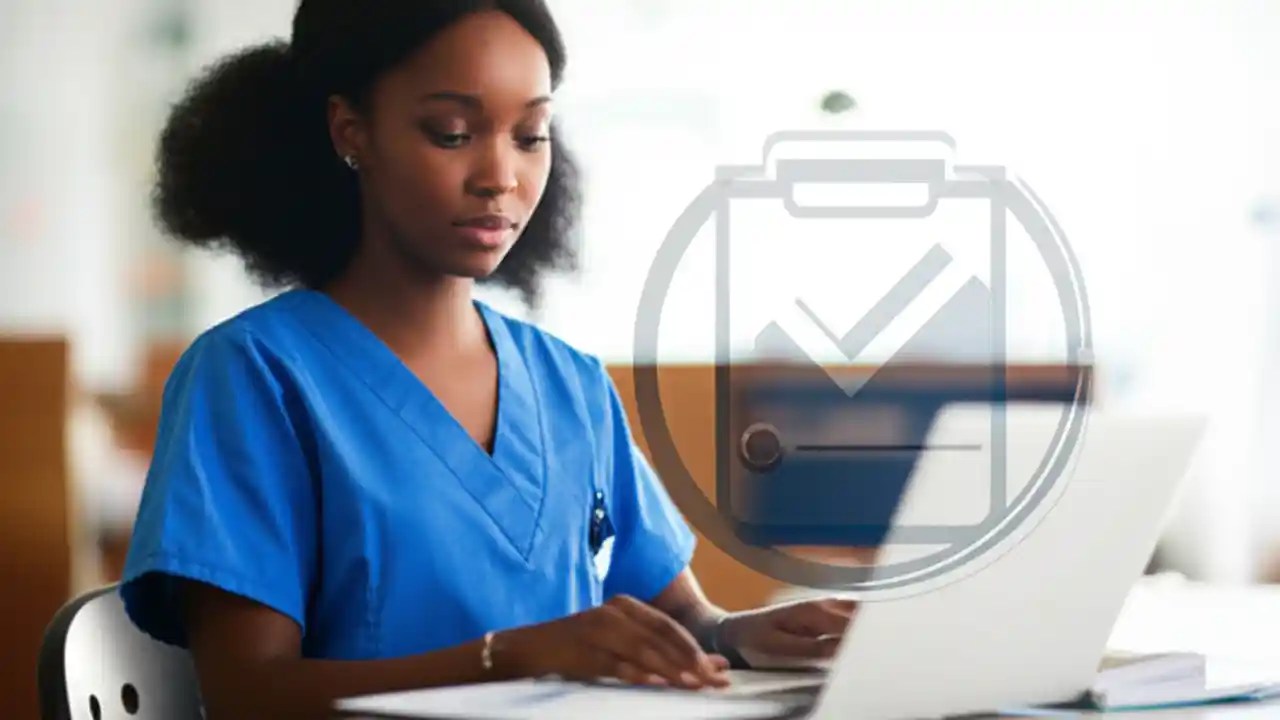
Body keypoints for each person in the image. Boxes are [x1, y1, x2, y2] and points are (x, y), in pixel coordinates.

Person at [120, 1, 856, 718]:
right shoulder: (254, 376)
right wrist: (511, 655)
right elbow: (248, 695)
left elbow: (678, 618)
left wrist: (741, 636)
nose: (501, 176)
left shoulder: (569, 383)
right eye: (451, 132)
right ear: (352, 132)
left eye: (531, 135)